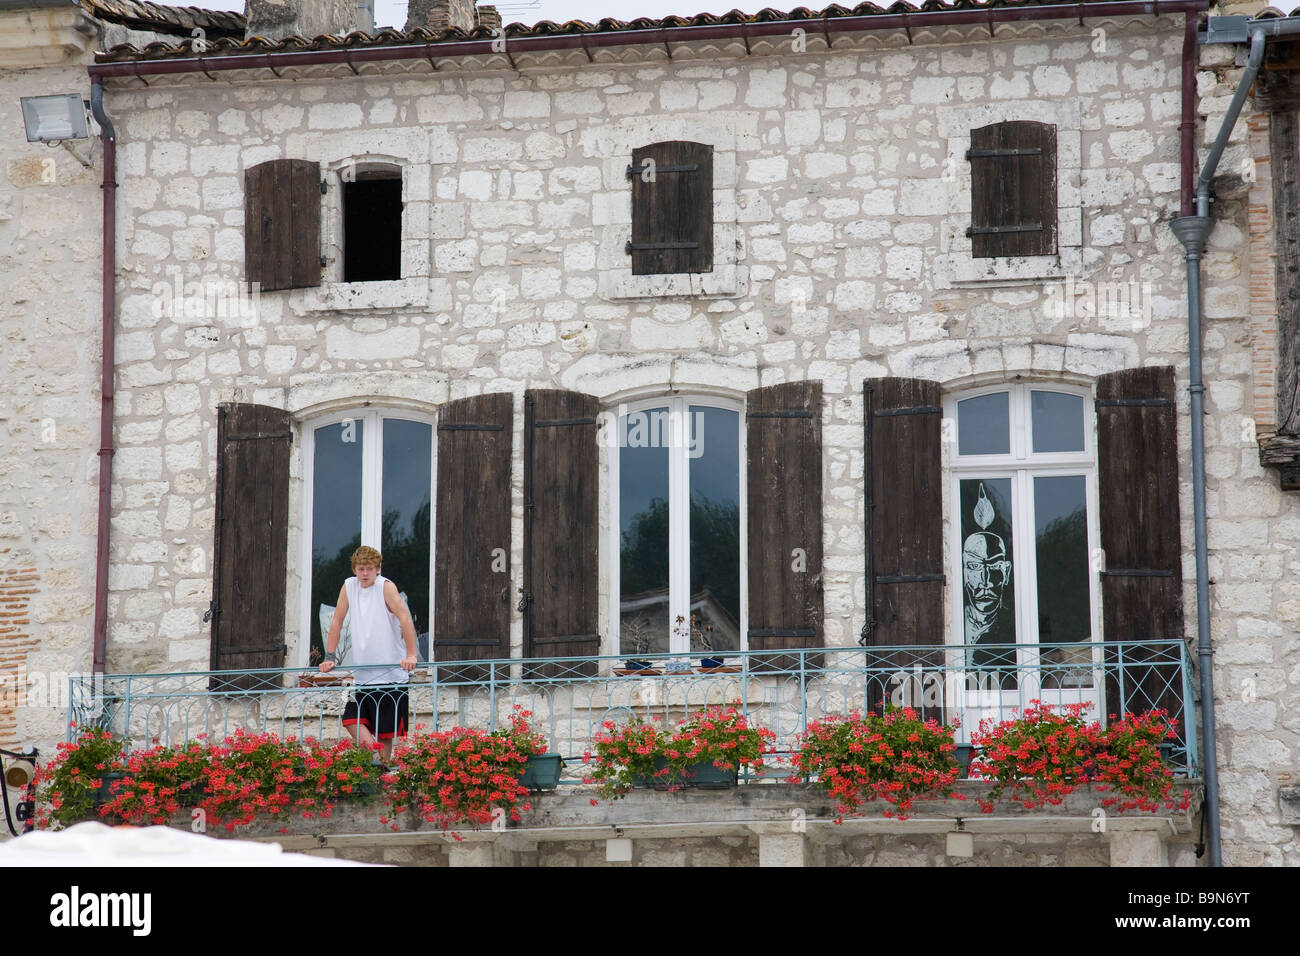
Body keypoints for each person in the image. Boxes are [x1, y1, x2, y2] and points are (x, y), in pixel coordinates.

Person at [319, 546, 418, 761]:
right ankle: (375, 760)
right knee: (351, 720)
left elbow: (404, 618)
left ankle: (381, 771)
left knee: (385, 733)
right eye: (361, 569)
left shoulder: (386, 587)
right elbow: (336, 621)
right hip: (363, 675)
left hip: (391, 675)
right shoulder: (349, 587)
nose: (365, 574)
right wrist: (330, 656)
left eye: (370, 569)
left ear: (378, 569)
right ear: (355, 569)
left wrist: (411, 655)